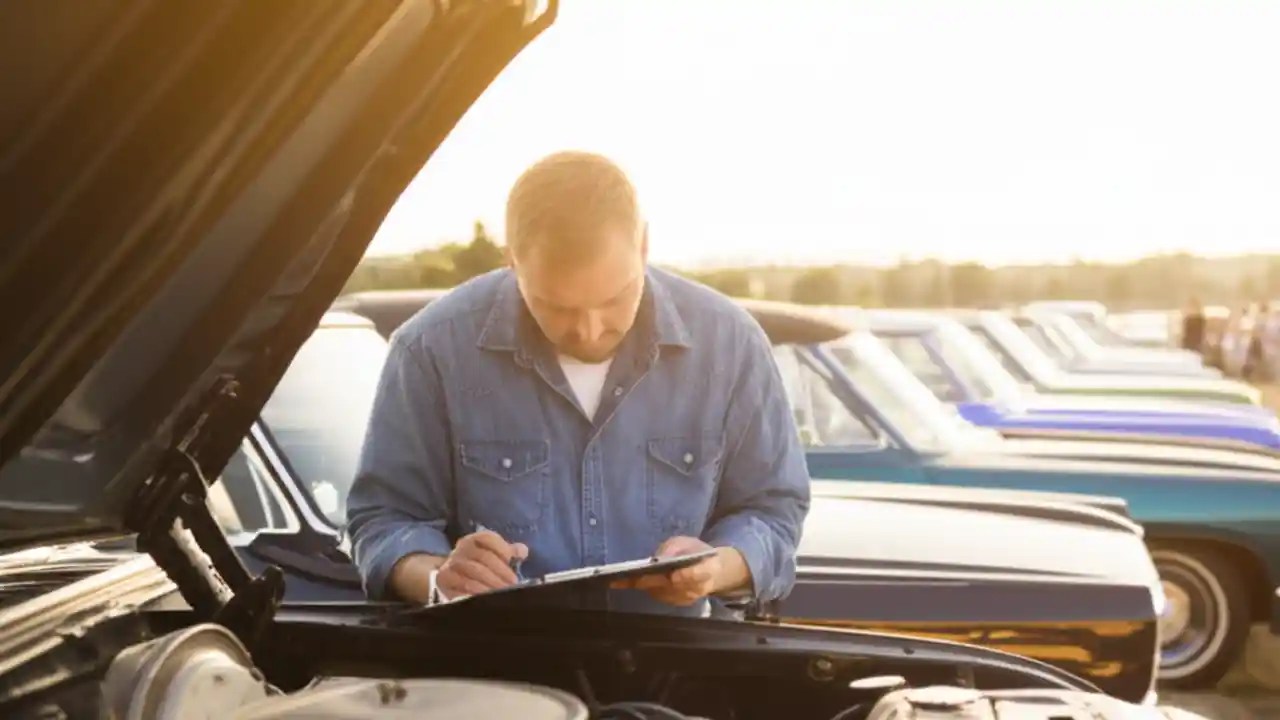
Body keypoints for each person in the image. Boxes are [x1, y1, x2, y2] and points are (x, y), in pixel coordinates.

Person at [345, 150, 811, 617]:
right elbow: (383, 522)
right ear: (511, 260)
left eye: (615, 297)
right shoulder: (430, 351)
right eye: (557, 307)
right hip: (495, 673)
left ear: (644, 245)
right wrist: (438, 576)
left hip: (679, 669)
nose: (589, 330)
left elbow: (772, 511)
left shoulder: (731, 344)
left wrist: (717, 568)